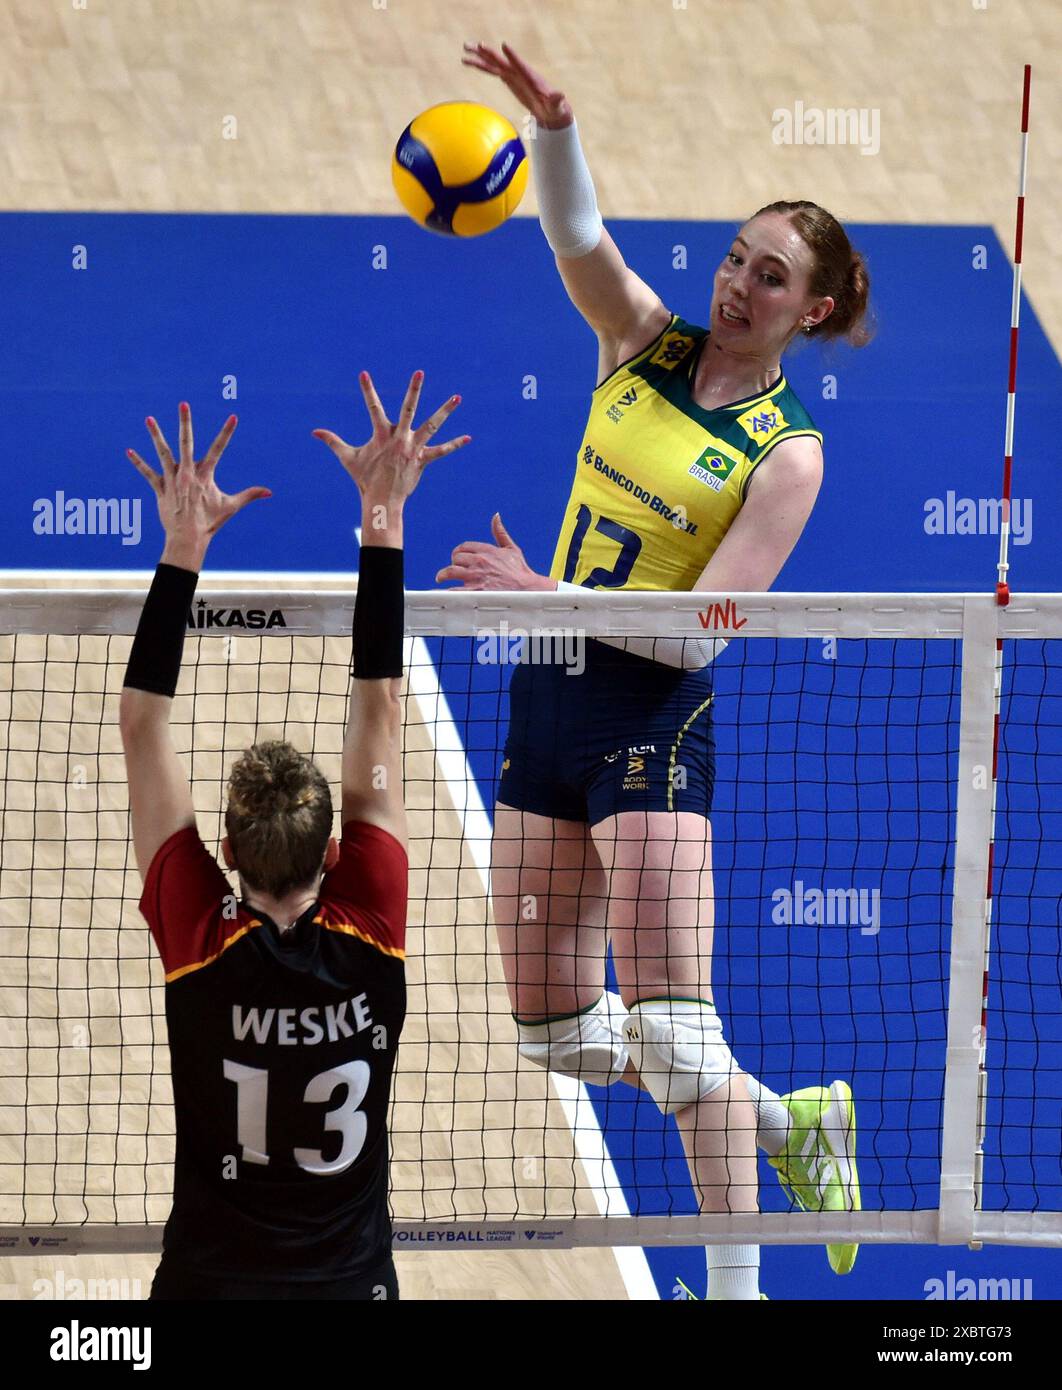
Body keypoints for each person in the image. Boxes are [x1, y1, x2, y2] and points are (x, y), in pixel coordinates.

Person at [437, 41, 871, 1300]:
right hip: (550, 698)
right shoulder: (641, 346)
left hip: (651, 720)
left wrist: (546, 594)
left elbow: (696, 634)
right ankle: (792, 1122)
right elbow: (580, 246)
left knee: (679, 1034)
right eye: (736, 258)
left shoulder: (786, 454)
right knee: (557, 1032)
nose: (739, 285)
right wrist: (557, 130)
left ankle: (736, 1293)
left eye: (772, 276)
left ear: (815, 309)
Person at [121, 375, 468, 1299]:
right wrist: (383, 512)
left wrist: (181, 546)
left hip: (208, 1287)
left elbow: (140, 725)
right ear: (334, 856)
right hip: (352, 1288)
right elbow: (381, 705)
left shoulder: (201, 941)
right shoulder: (370, 921)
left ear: (224, 855)